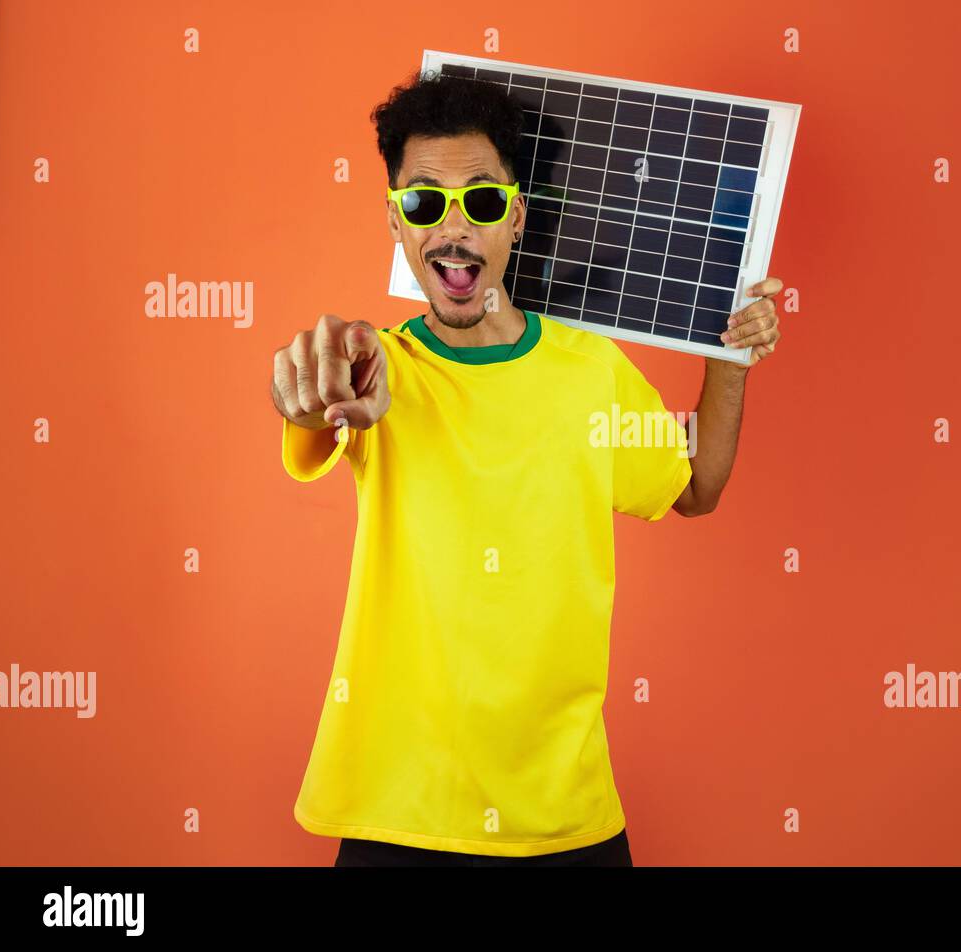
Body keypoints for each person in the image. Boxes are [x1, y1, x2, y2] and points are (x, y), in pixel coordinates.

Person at [270, 71, 784, 866]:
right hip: (395, 813)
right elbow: (317, 400)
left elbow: (695, 486)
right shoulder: (378, 369)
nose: (453, 228)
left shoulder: (590, 371)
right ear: (395, 218)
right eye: (424, 202)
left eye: (480, 200)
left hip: (564, 818)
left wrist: (731, 358)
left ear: (514, 214)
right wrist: (310, 385)